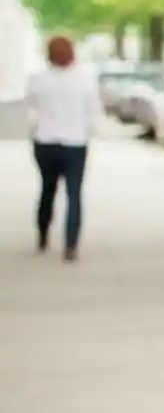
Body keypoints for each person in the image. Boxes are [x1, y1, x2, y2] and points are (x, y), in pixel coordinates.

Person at [25, 36, 102, 262]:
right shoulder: (85, 81)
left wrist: (36, 132)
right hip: (75, 144)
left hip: (46, 142)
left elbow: (31, 112)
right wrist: (89, 133)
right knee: (74, 194)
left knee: (47, 190)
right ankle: (71, 245)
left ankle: (42, 232)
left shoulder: (38, 80)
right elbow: (93, 113)